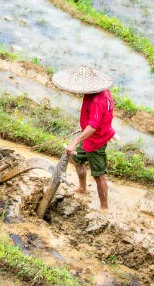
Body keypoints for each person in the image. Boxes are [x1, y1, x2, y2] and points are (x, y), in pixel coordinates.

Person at [52, 64, 115, 210]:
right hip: (89, 136)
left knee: (99, 175)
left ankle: (104, 207)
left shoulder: (97, 100)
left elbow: (93, 126)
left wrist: (75, 142)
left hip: (97, 140)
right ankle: (82, 188)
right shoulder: (95, 92)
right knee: (78, 159)